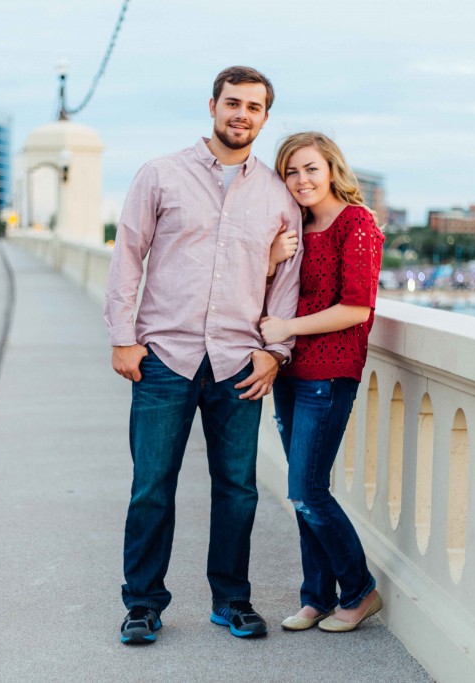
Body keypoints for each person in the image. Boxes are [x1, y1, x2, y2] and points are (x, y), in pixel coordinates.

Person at [103, 66, 303, 645]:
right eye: (233, 103)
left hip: (239, 360)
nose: (242, 115)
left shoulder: (276, 195)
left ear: (265, 117)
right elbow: (128, 257)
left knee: (237, 487)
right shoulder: (160, 175)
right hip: (165, 356)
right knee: (151, 485)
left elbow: (284, 283)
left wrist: (276, 351)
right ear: (212, 106)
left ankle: (232, 600)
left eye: (254, 107)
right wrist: (123, 336)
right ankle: (142, 604)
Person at [259, 131, 385, 633]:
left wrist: (288, 328)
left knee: (308, 490)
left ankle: (359, 592)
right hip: (290, 371)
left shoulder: (356, 223)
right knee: (302, 492)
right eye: (291, 171)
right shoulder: (294, 225)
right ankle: (316, 597)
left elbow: (356, 307)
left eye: (310, 168)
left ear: (331, 168)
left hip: (330, 373)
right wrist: (271, 259)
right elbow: (268, 291)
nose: (301, 179)